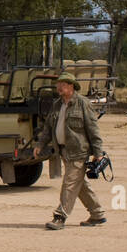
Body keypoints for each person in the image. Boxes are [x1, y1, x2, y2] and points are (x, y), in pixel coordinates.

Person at [33, 72, 106, 230]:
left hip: (79, 152)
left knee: (69, 184)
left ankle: (60, 217)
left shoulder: (83, 103)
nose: (59, 87)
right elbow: (48, 128)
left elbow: (93, 130)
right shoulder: (57, 104)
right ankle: (97, 214)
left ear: (71, 86)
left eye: (63, 84)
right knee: (80, 185)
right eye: (58, 84)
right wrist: (40, 145)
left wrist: (98, 153)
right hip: (63, 152)